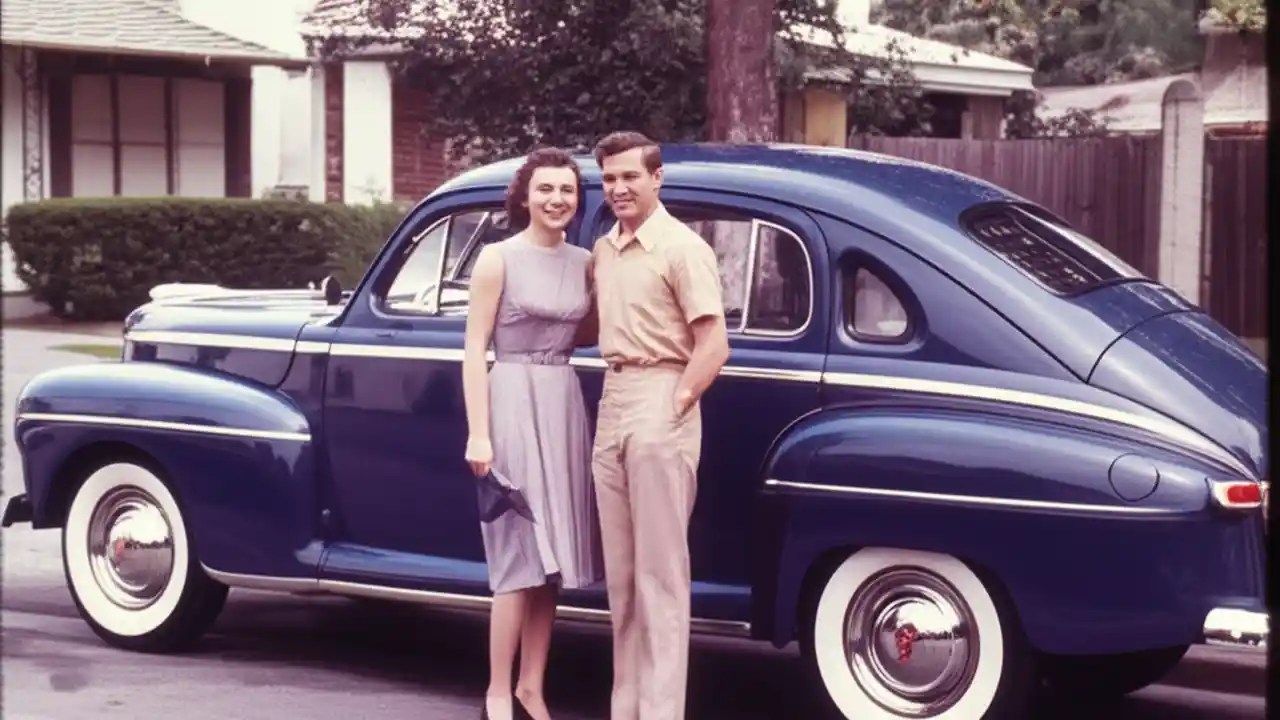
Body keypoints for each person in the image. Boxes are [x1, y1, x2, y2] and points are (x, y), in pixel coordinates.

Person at [588, 131, 730, 720]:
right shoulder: (604, 249)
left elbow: (714, 343)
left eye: (631, 177)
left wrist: (675, 405)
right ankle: (627, 709)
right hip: (613, 397)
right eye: (610, 179)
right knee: (621, 581)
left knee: (661, 579)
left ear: (657, 178)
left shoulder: (681, 247)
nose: (619, 188)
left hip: (660, 397)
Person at [462, 147, 603, 720]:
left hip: (561, 398)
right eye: (545, 189)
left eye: (566, 190)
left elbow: (587, 329)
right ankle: (497, 689)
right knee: (517, 554)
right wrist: (479, 433)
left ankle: (532, 687)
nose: (556, 200)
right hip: (511, 397)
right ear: (524, 196)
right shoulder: (498, 258)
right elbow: (474, 349)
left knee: (553, 562)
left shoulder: (587, 261)